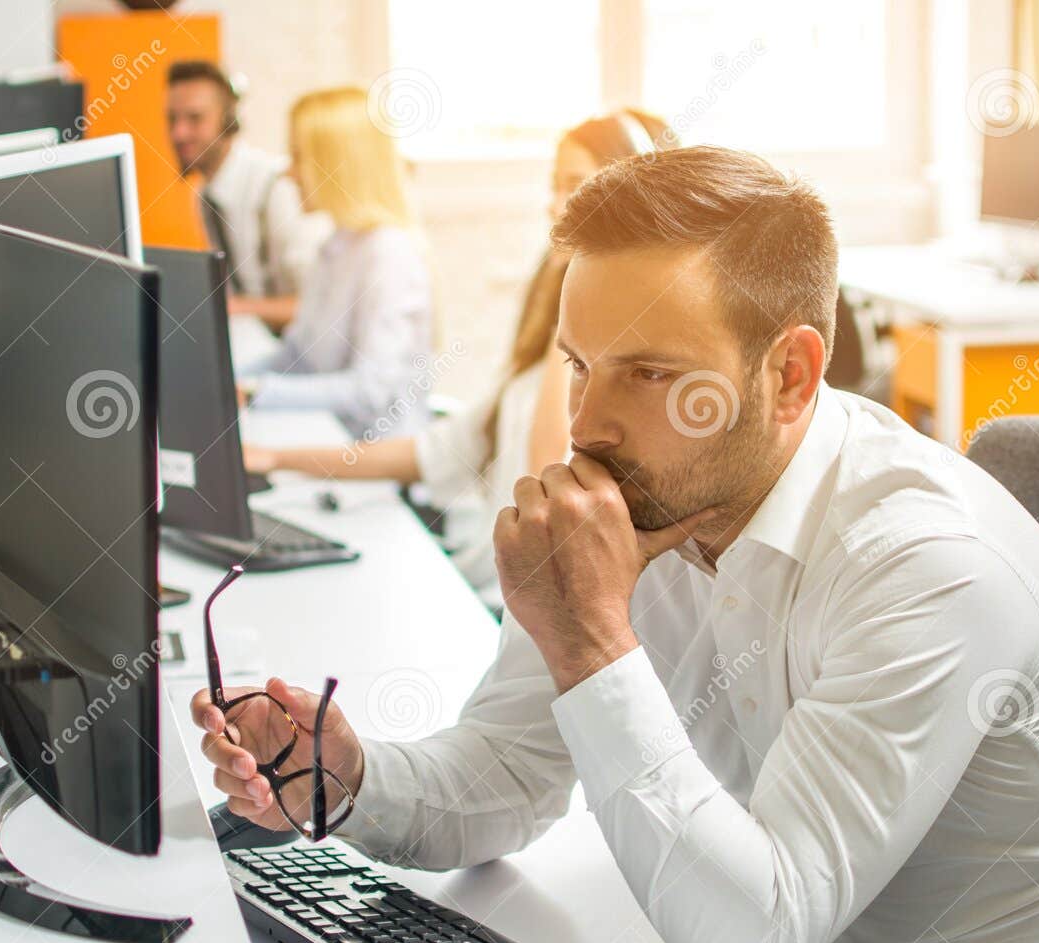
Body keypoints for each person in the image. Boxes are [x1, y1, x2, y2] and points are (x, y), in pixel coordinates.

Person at [192, 147, 1039, 943]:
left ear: (788, 376)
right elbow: (508, 773)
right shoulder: (651, 496)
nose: (587, 422)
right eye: (580, 367)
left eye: (648, 374)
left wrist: (593, 636)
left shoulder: (926, 564)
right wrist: (353, 779)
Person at [244, 110, 671, 603]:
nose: (556, 207)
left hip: (510, 603)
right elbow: (439, 449)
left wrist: (574, 310)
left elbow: (548, 484)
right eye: (555, 186)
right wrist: (277, 458)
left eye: (576, 185)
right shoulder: (542, 341)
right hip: (476, 574)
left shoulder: (619, 354)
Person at [234, 86, 434, 442]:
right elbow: (298, 355)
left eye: (299, 157)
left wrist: (255, 392)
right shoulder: (335, 245)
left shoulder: (389, 254)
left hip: (374, 461)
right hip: (327, 437)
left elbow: (369, 393)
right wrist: (226, 382)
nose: (288, 173)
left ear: (335, 166)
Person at [165, 60, 330, 330]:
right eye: (172, 119)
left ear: (229, 121)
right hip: (252, 340)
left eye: (194, 118)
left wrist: (234, 308)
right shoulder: (205, 196)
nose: (178, 133)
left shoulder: (277, 188)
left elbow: (316, 307)